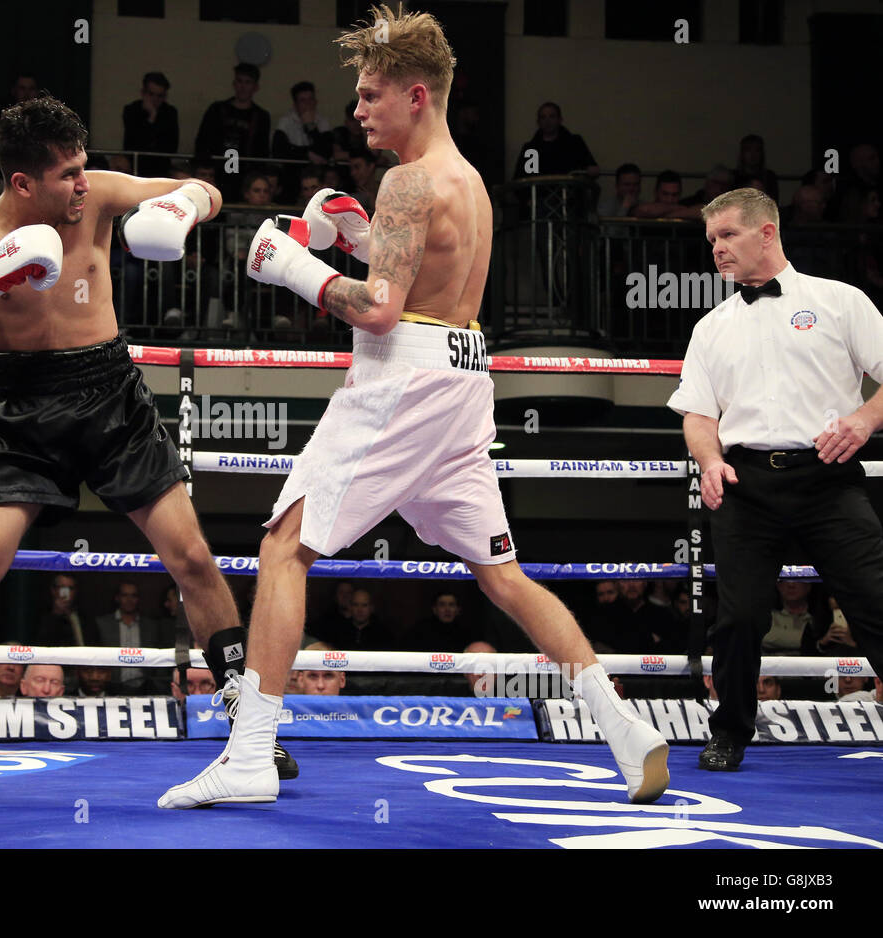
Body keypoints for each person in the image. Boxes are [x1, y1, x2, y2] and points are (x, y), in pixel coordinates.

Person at [161, 5, 668, 809]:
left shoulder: (407, 179)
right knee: (501, 576)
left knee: (285, 546)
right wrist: (359, 237)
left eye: (370, 94)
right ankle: (623, 726)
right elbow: (426, 276)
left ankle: (251, 753)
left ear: (417, 96)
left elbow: (383, 311)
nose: (356, 109)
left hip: (403, 380)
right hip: (465, 381)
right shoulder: (468, 184)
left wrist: (290, 265)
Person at [0, 93, 296, 804]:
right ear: (22, 183)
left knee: (192, 557)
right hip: (20, 406)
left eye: (82, 168)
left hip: (111, 395)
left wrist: (190, 201)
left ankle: (249, 728)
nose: (82, 182)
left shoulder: (97, 198)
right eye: (66, 173)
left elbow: (211, 192)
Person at [667, 186, 883, 771]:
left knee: (874, 601)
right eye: (711, 239)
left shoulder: (839, 302)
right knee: (737, 617)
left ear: (767, 232)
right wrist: (709, 461)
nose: (717, 249)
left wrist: (864, 419)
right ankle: (731, 730)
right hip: (746, 484)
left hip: (828, 475)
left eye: (728, 235)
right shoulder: (712, 327)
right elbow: (698, 414)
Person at [193, 63, 271, 199]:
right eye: (240, 81)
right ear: (234, 83)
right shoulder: (216, 109)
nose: (243, 87)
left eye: (247, 82)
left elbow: (262, 151)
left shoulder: (261, 116)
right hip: (216, 173)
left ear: (255, 87)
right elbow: (202, 141)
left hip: (246, 176)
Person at [511, 100, 597, 178]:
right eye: (543, 117)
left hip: (570, 193)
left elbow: (591, 170)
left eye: (552, 116)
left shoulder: (574, 143)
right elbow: (523, 179)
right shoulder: (531, 149)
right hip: (540, 195)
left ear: (560, 120)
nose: (547, 121)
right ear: (538, 122)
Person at [122, 71, 179, 178]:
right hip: (135, 165)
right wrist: (151, 119)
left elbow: (171, 146)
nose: (155, 99)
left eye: (160, 96)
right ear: (143, 93)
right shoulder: (131, 110)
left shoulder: (170, 113)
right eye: (151, 94)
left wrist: (153, 116)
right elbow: (134, 141)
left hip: (161, 167)